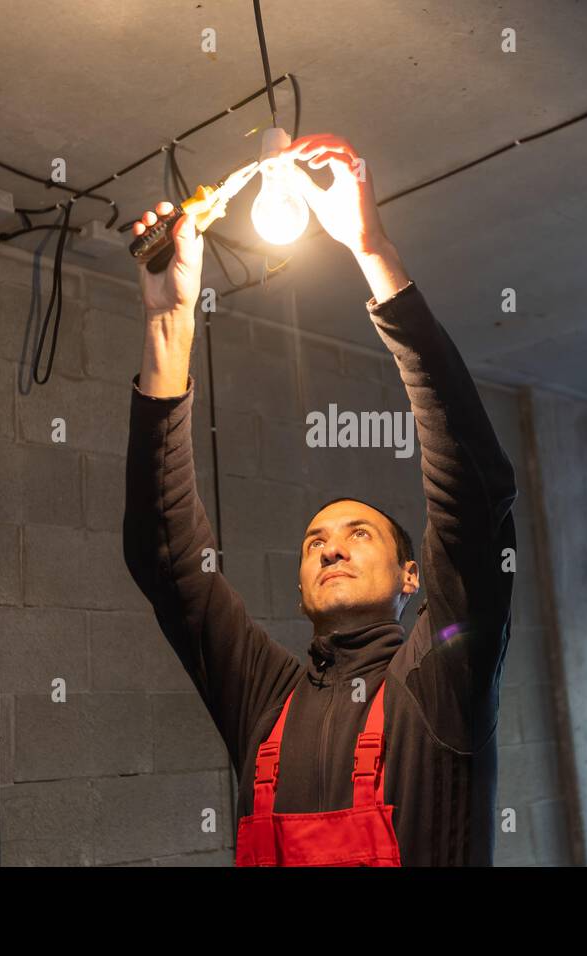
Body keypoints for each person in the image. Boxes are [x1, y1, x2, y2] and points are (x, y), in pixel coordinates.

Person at [122, 134, 517, 866]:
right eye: (314, 542)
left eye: (358, 533)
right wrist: (168, 320)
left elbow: (476, 491)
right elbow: (164, 555)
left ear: (412, 579)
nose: (330, 545)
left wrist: (372, 250)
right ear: (301, 584)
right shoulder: (264, 698)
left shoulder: (443, 676)